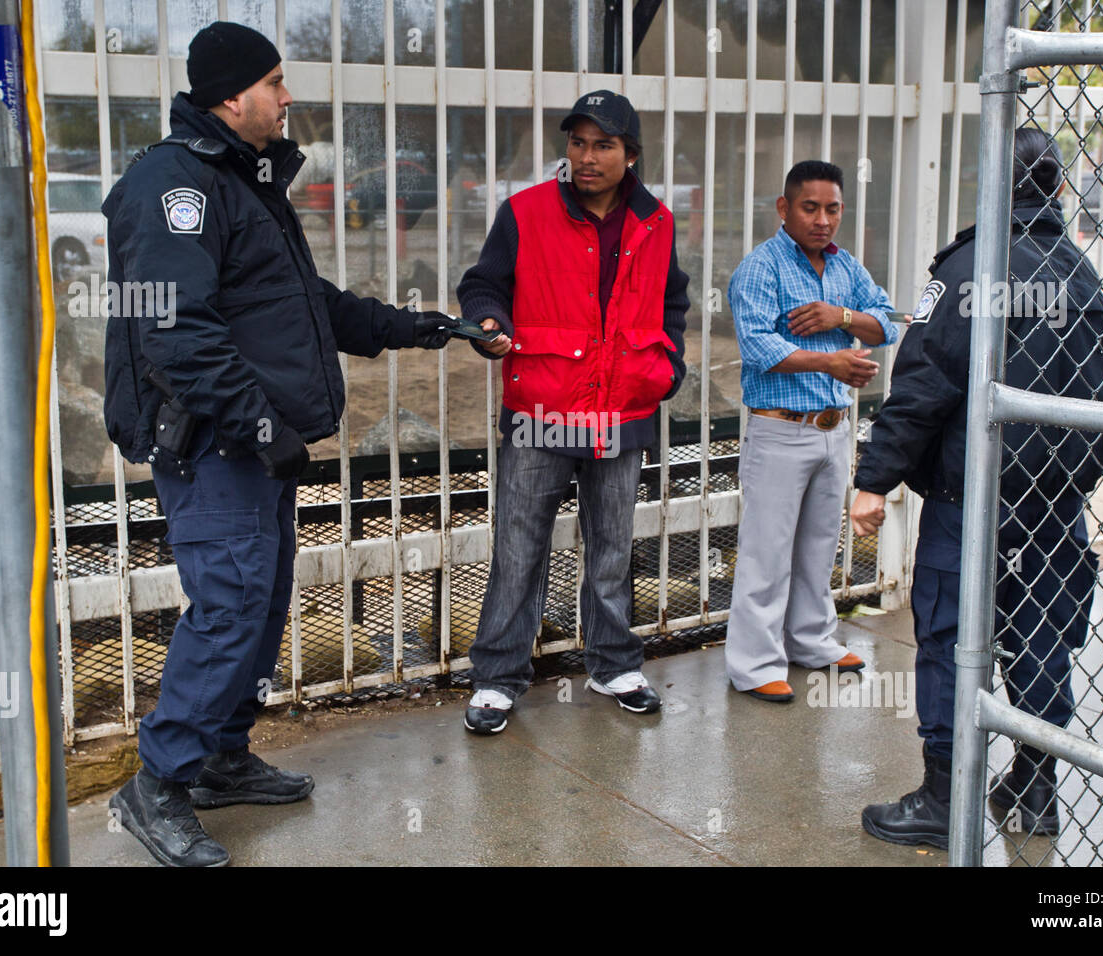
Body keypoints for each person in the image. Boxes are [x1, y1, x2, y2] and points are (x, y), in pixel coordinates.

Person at [101, 21, 457, 866]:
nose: (288, 98)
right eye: (274, 83)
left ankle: (221, 756)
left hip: (253, 448)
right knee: (228, 611)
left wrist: (423, 327)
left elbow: (306, 304)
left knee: (258, 603)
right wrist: (260, 426)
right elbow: (175, 330)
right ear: (232, 96)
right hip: (218, 445)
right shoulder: (173, 188)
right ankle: (155, 784)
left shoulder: (241, 182)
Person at [850, 126, 1103, 849]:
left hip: (969, 502)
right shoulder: (1079, 275)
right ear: (1058, 188)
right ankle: (1035, 790)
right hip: (1054, 509)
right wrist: (1070, 482)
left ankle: (945, 796)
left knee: (946, 639)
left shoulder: (968, 271)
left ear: (990, 187)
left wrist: (873, 481)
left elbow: (922, 386)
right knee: (1041, 640)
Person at [456, 90, 689, 734]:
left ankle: (613, 664)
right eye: (578, 142)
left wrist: (669, 366)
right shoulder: (525, 212)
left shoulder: (657, 221)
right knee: (519, 549)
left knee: (612, 549)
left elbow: (674, 303)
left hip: (622, 410)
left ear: (630, 154)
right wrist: (490, 320)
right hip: (540, 411)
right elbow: (483, 284)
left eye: (603, 145)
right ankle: (497, 678)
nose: (587, 157)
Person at [724, 160, 898, 703]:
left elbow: (888, 321)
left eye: (832, 208)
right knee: (766, 552)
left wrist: (839, 314)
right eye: (810, 207)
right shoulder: (761, 269)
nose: (823, 219)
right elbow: (758, 349)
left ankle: (810, 641)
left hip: (833, 429)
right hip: (780, 431)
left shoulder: (845, 269)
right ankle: (754, 665)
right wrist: (832, 365)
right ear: (784, 208)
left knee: (820, 546)